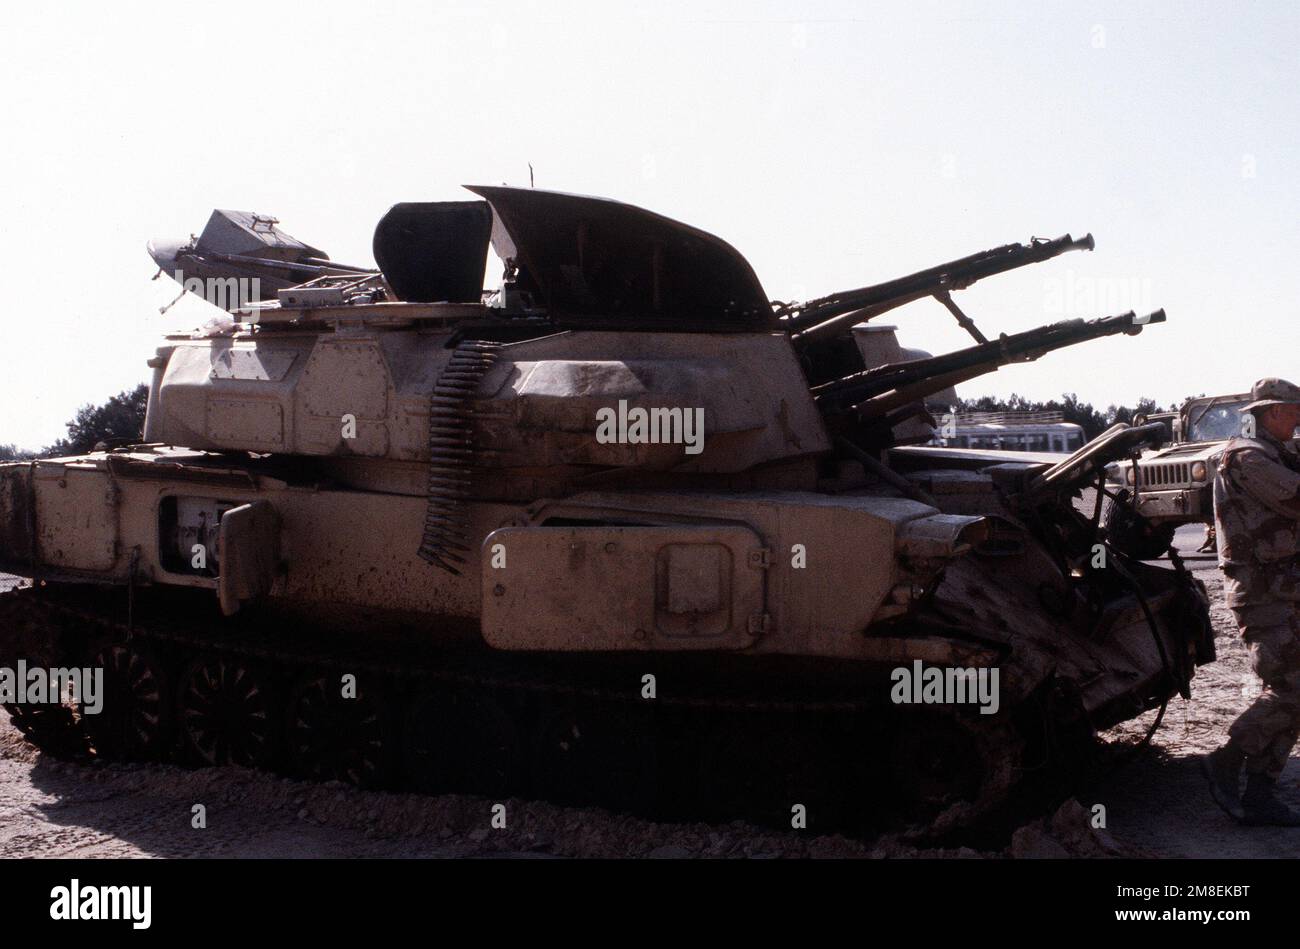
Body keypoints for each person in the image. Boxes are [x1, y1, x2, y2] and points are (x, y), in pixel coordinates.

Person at [1202, 378, 1300, 825]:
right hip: (1263, 593)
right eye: (1295, 411)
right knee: (1289, 689)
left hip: (1288, 589)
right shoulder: (1246, 457)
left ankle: (1261, 792)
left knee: (1294, 693)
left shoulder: (1278, 453)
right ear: (1274, 411)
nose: (1299, 420)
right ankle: (1227, 757)